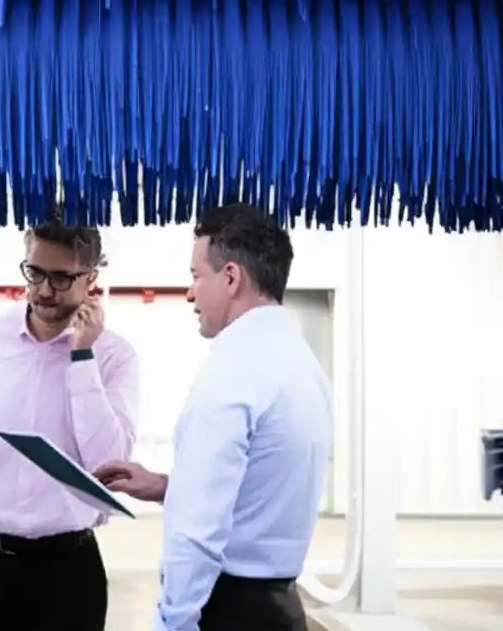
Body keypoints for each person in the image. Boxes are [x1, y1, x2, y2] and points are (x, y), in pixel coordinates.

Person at [94, 203, 332, 631]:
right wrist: (168, 486)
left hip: (228, 610)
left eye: (195, 276)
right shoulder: (302, 365)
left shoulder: (233, 369)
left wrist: (175, 621)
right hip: (278, 608)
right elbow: (257, 488)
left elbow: (198, 529)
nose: (189, 293)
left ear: (231, 277)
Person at [0, 219, 141, 631]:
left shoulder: (114, 358)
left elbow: (111, 463)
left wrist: (82, 357)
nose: (43, 289)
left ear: (91, 279)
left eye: (60, 277)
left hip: (67, 571)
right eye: (34, 272)